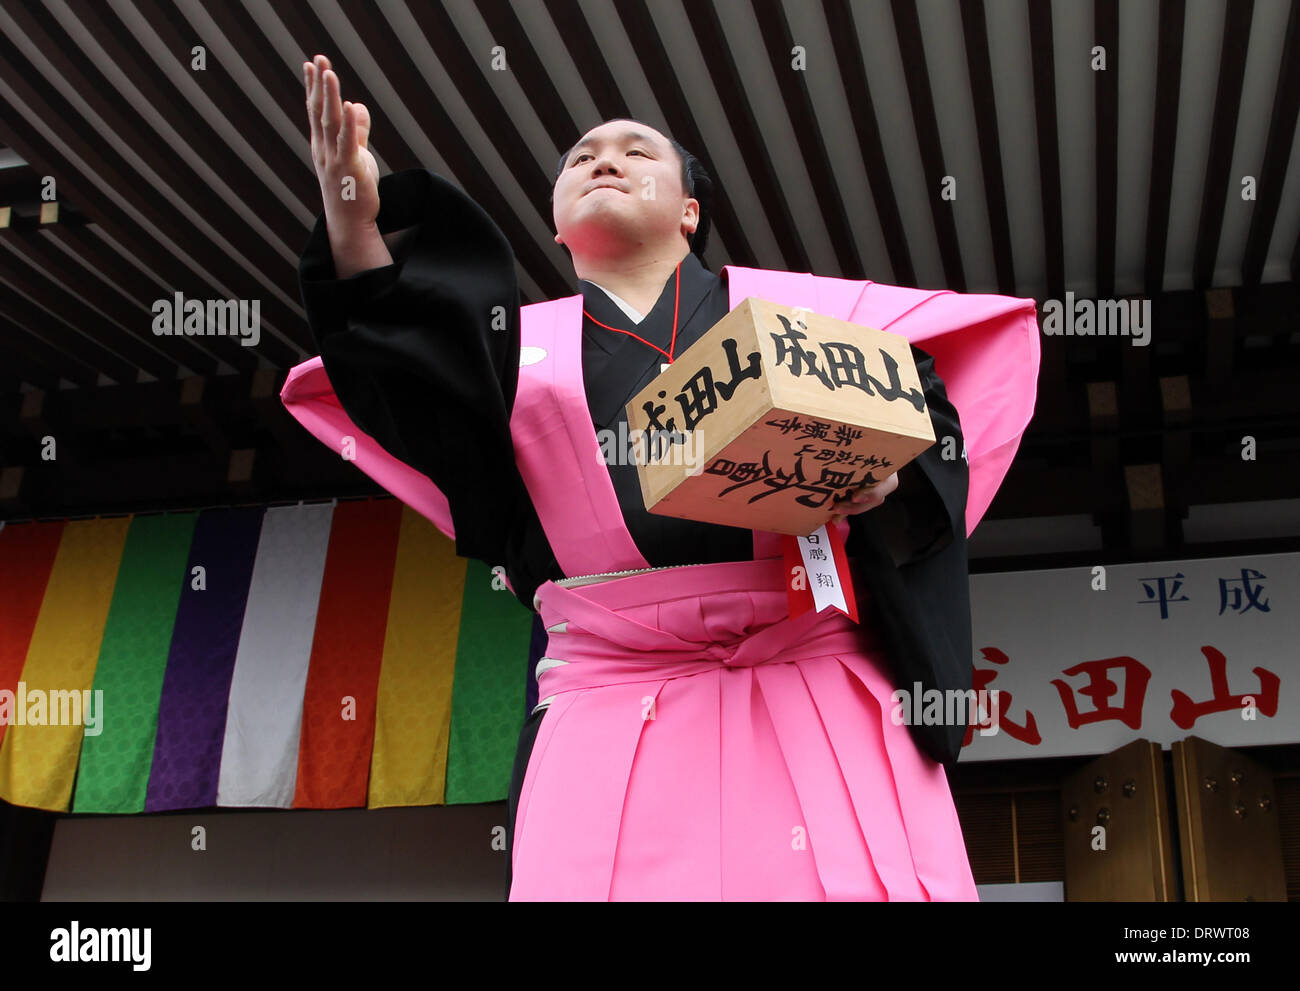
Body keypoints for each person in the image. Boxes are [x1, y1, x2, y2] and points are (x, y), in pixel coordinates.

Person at [285, 55, 1039, 900]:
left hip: (811, 676)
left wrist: (883, 483)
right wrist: (354, 219)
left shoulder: (819, 323)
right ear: (559, 226)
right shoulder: (510, 359)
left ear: (690, 211)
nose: (603, 158)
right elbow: (408, 382)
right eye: (580, 157)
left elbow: (929, 456)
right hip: (609, 702)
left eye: (637, 151)